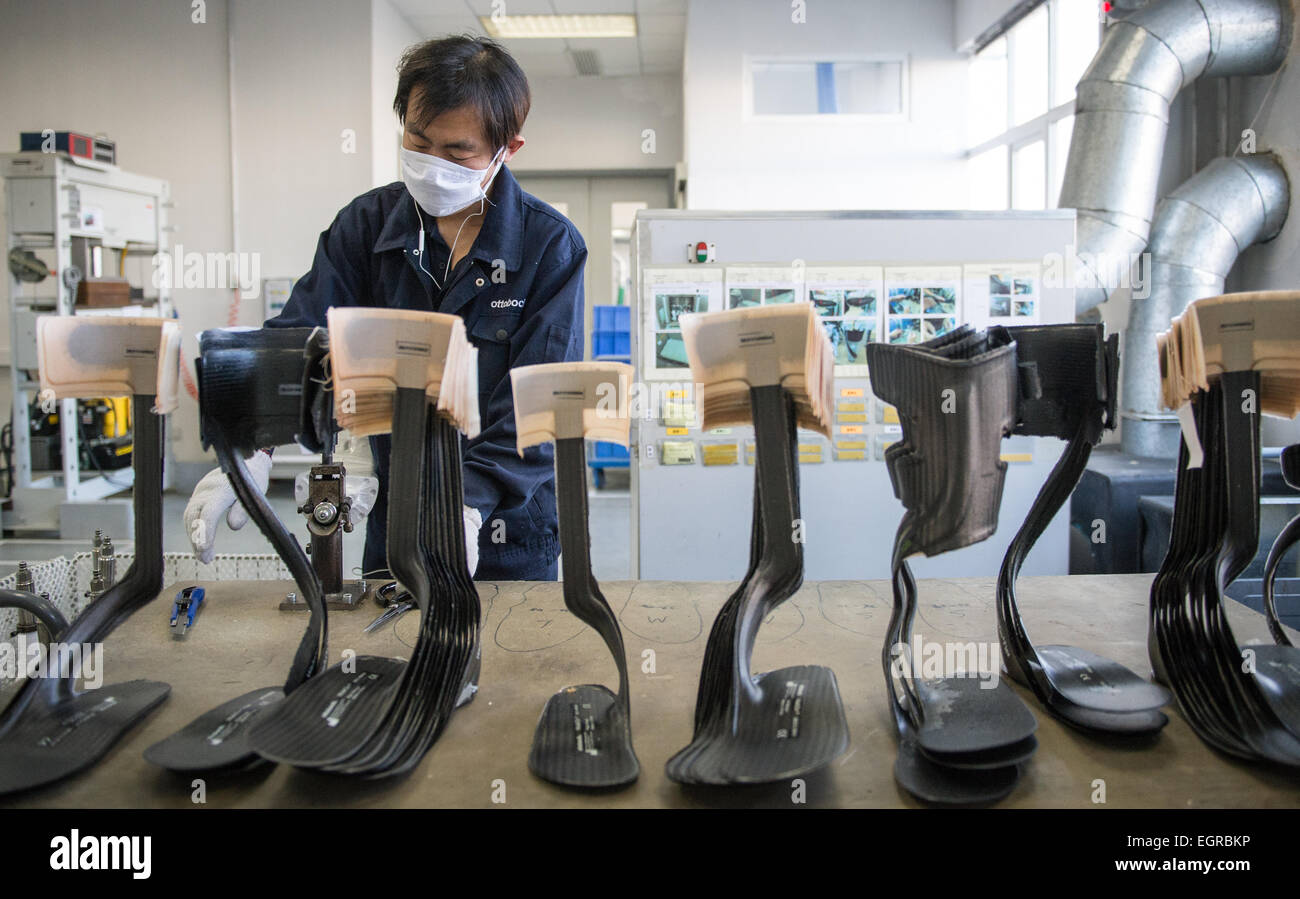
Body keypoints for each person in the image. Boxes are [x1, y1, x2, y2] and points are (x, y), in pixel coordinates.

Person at [184, 35, 585, 581]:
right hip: (392, 523)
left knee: (501, 660)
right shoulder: (366, 227)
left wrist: (466, 506)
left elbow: (542, 405)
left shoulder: (548, 248)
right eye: (418, 141)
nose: (430, 162)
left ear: (506, 150)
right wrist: (252, 446)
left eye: (456, 151)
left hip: (503, 532)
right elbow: (301, 334)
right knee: (389, 662)